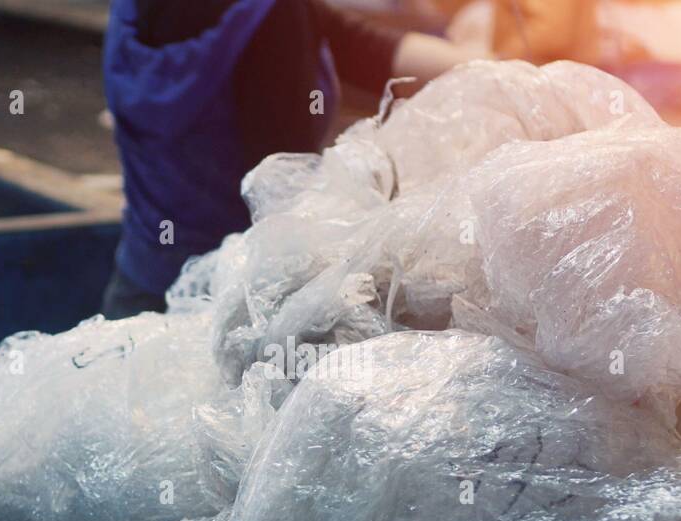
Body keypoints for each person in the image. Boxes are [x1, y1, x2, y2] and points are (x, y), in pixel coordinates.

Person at [102, 0, 485, 319]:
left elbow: (354, 43)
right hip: (229, 304)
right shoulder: (273, 15)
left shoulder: (133, 7)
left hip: (138, 283)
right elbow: (283, 184)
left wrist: (492, 69)